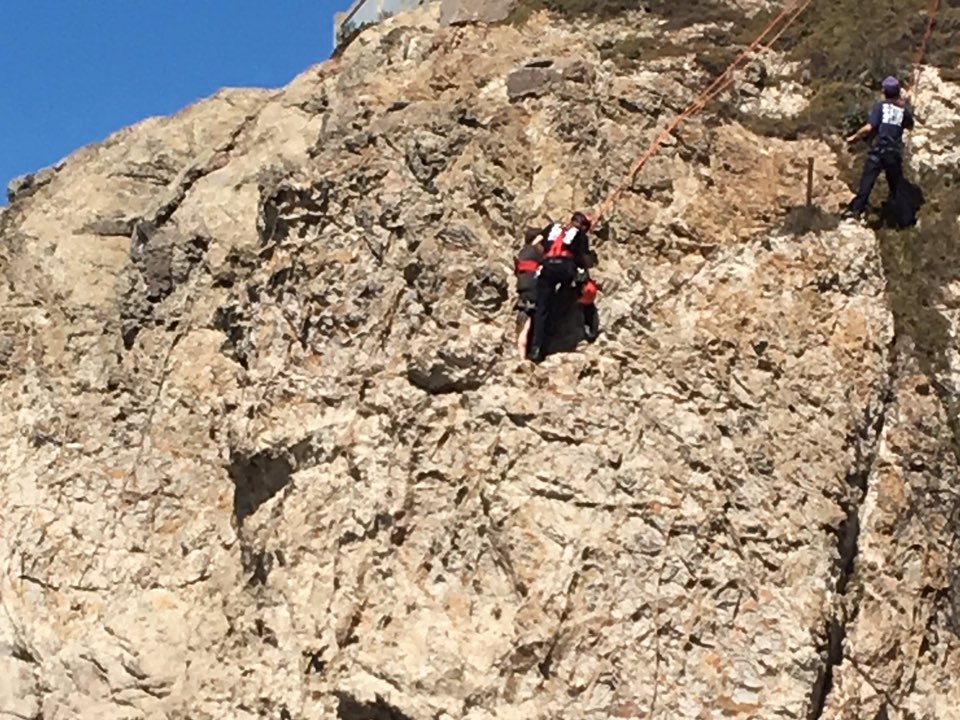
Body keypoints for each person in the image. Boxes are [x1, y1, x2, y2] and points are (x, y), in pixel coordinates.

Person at [842, 76, 915, 222]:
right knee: (896, 187)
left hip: (879, 150)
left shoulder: (880, 107)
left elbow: (869, 128)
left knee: (867, 182)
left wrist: (853, 137)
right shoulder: (903, 111)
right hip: (893, 153)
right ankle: (904, 218)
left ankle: (856, 211)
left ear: (884, 91)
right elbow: (910, 126)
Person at [528, 211, 593, 363]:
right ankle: (581, 328)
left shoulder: (553, 227)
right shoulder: (580, 234)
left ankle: (536, 348)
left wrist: (545, 255)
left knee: (541, 308)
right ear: (582, 225)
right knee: (574, 293)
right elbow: (584, 258)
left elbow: (535, 243)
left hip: (547, 266)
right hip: (566, 266)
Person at [514, 227, 544, 358]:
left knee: (525, 324)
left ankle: (521, 356)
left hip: (523, 289)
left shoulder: (522, 253)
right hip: (535, 289)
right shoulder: (537, 253)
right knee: (538, 321)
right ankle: (535, 352)